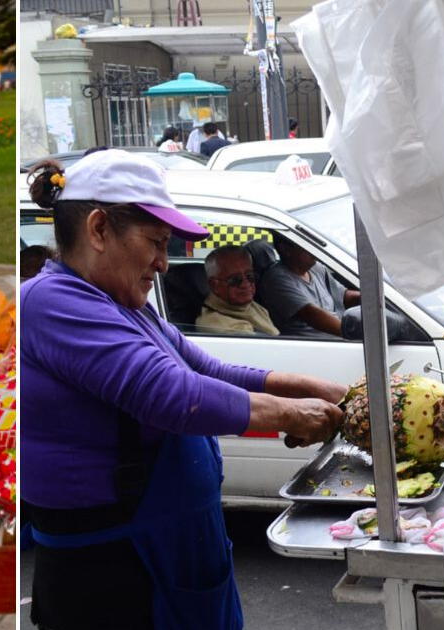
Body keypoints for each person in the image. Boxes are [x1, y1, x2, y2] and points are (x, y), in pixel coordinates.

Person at [22, 149, 345, 629]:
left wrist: (311, 388)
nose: (163, 263)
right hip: (113, 572)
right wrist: (292, 416)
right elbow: (176, 395)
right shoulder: (50, 304)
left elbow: (205, 369)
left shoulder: (125, 306)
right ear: (98, 229)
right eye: (156, 242)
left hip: (174, 549)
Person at [258, 234, 361, 338]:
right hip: (316, 344)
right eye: (306, 245)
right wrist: (353, 332)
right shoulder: (277, 279)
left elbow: (343, 296)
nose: (313, 250)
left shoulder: (316, 268)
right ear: (285, 249)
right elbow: (312, 315)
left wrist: (367, 298)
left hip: (339, 338)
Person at [196, 245, 278, 336]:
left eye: (250, 276)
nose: (245, 284)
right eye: (235, 280)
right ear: (214, 285)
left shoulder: (252, 306)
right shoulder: (220, 326)